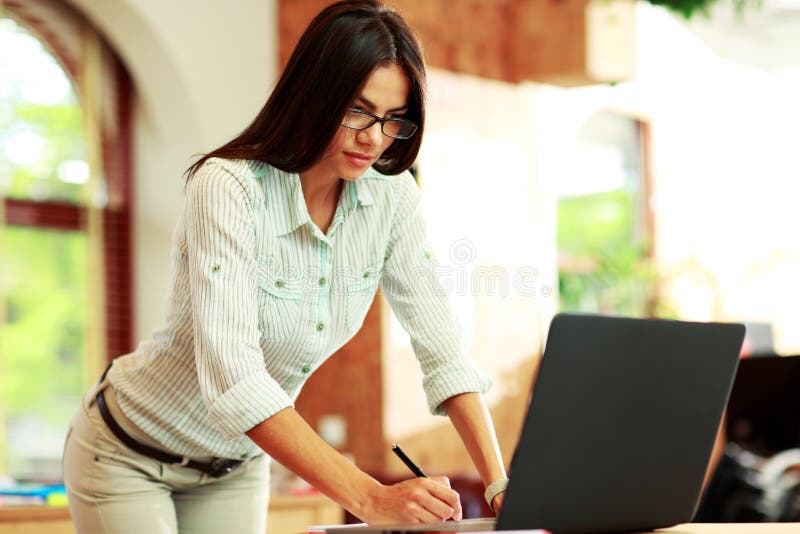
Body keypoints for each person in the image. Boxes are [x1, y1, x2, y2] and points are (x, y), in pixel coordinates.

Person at [62, 1, 508, 532]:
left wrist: (500, 483)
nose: (374, 138)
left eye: (394, 120)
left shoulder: (392, 200)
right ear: (314, 95)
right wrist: (369, 497)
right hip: (128, 452)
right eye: (357, 110)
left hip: (236, 466)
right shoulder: (228, 188)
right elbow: (237, 379)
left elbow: (444, 351)